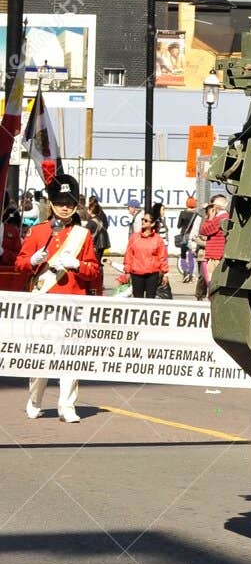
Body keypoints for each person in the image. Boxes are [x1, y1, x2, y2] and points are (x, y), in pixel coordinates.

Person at [18, 173, 102, 423]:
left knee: (71, 357)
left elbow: (94, 273)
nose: (65, 207)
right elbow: (20, 263)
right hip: (44, 300)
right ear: (51, 203)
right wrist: (31, 262)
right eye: (60, 201)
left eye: (69, 202)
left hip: (73, 302)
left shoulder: (83, 235)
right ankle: (34, 400)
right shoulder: (37, 231)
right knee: (41, 354)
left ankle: (67, 405)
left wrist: (78, 264)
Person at [122, 207, 169, 299]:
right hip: (136, 274)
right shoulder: (134, 237)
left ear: (152, 224)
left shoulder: (158, 239)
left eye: (146, 220)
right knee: (138, 299)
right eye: (142, 219)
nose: (143, 221)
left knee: (150, 299)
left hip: (152, 274)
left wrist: (165, 274)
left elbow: (162, 257)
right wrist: (127, 271)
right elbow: (128, 255)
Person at [197, 193, 228, 300]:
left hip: (215, 257)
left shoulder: (220, 218)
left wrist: (210, 217)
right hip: (216, 255)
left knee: (212, 286)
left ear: (215, 207)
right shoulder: (225, 217)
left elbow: (204, 230)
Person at [174, 196, 200, 283]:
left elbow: (178, 226)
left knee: (183, 255)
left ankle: (185, 273)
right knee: (191, 256)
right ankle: (191, 275)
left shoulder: (182, 213)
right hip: (192, 237)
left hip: (184, 236)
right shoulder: (196, 215)